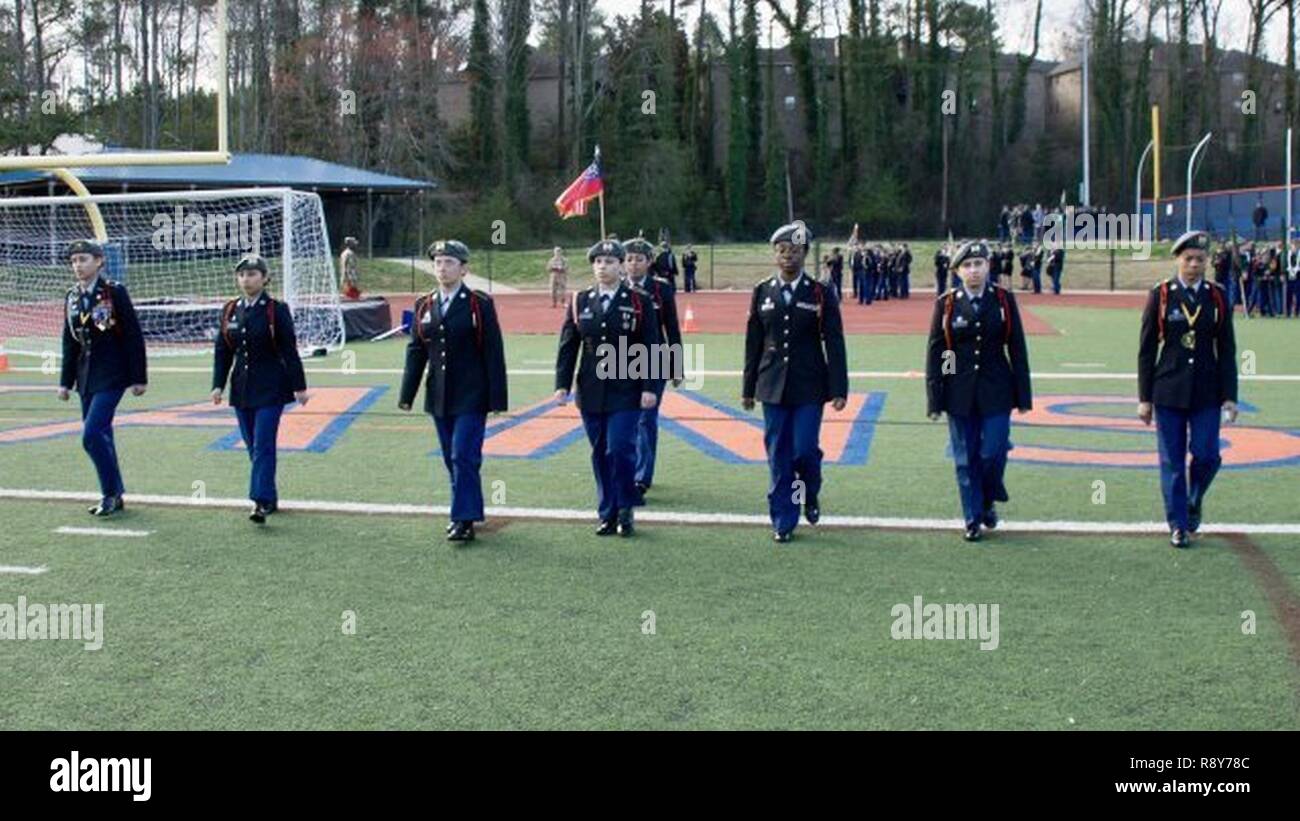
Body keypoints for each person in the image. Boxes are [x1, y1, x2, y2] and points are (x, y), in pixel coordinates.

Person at [742, 222, 848, 543]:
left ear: (805, 253)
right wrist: (748, 388)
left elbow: (835, 341)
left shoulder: (820, 292)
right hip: (771, 384)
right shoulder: (762, 291)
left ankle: (808, 493)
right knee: (778, 454)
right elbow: (753, 342)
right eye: (782, 250)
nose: (788, 256)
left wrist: (838, 388)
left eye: (795, 251)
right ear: (775, 254)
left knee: (803, 451)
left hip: (809, 386)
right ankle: (783, 519)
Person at [399, 240, 509, 543]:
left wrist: (497, 397)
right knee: (451, 456)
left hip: (472, 393)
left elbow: (492, 352)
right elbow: (417, 351)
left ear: (464, 268)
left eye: (449, 262)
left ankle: (463, 518)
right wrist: (407, 394)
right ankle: (466, 510)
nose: (442, 268)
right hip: (439, 393)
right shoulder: (424, 304)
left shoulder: (478, 303)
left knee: (464, 455)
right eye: (438, 262)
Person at [925, 240, 1032, 542]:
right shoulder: (945, 304)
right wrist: (937, 395)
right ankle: (972, 517)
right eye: (967, 266)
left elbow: (1017, 347)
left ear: (988, 266)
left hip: (997, 390)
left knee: (994, 450)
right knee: (965, 457)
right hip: (959, 393)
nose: (974, 270)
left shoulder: (1002, 299)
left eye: (979, 264)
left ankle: (987, 497)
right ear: (958, 271)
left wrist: (1023, 395)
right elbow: (939, 352)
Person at [555, 239, 662, 537]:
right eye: (598, 262)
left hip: (626, 386)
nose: (603, 267)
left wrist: (650, 386)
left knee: (620, 448)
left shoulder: (639, 300)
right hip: (591, 389)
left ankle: (625, 505)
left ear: (620, 266)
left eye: (610, 262)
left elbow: (651, 345)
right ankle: (607, 511)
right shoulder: (580, 301)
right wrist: (561, 385)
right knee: (600, 452)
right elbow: (568, 345)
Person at [1137, 230, 1237, 548]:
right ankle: (1178, 524)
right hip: (1168, 389)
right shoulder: (1162, 295)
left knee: (1207, 454)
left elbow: (1228, 349)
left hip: (1207, 390)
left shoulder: (1217, 296)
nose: (1194, 265)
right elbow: (1146, 348)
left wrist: (1230, 396)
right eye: (1189, 259)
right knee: (1173, 462)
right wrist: (1144, 398)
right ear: (1178, 260)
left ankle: (1195, 498)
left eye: (1200, 260)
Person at [212, 254, 310, 524]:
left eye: (253, 274)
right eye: (242, 274)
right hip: (242, 389)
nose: (247, 279)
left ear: (265, 278)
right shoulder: (231, 309)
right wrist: (217, 384)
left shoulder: (275, 309)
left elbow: (289, 350)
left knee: (263, 444)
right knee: (252, 446)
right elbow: (223, 351)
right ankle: (270, 495)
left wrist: (299, 386)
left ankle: (260, 501)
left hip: (271, 388)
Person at [58, 239, 148, 517]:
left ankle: (110, 492)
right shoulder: (72, 296)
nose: (78, 265)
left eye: (83, 259)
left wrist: (138, 377)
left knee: (92, 433)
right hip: (86, 376)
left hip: (112, 373)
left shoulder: (113, 292)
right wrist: (65, 381)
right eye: (74, 261)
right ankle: (114, 494)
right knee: (102, 434)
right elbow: (69, 341)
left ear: (99, 261)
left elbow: (133, 335)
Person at [623, 235, 684, 500]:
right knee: (626, 419)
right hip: (619, 361)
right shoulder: (616, 288)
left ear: (649, 262)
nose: (633, 264)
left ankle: (641, 476)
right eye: (628, 259)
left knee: (646, 419)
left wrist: (676, 366)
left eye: (639, 259)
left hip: (653, 360)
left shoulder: (661, 290)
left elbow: (672, 329)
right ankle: (626, 469)